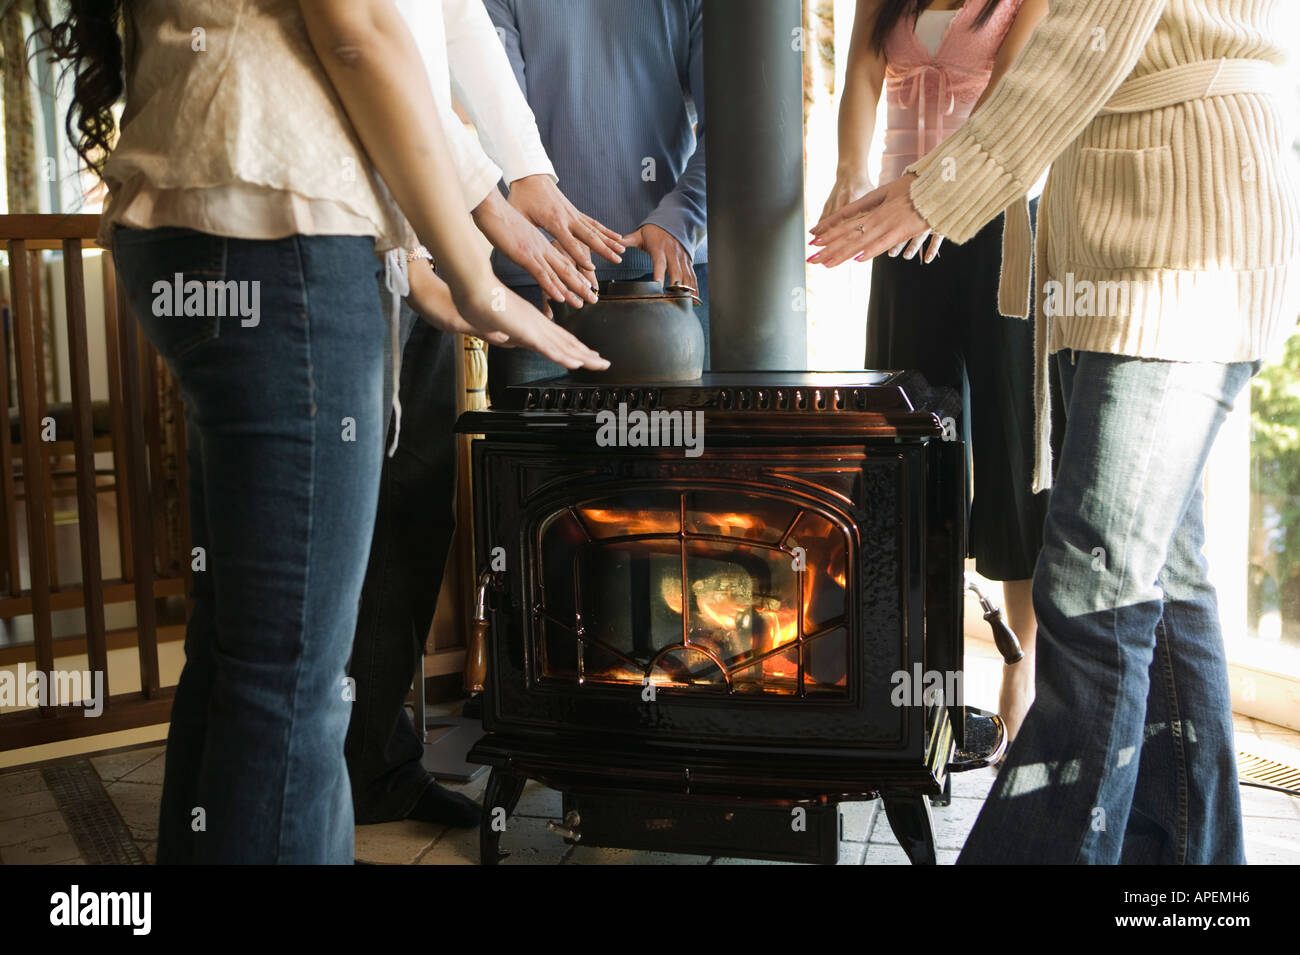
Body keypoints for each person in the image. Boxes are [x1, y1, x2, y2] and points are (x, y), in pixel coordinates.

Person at [39, 0, 608, 864]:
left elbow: (383, 33)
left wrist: (487, 202)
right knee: (289, 690)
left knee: (238, 657)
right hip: (283, 231)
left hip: (211, 220)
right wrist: (471, 269)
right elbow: (360, 32)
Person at [811, 0, 1300, 864]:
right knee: (1166, 591)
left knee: (1093, 583)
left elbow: (1087, 41)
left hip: (1177, 242)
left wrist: (933, 191)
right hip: (1119, 251)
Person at [345, 0, 625, 827]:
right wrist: (486, 209)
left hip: (412, 236)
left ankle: (371, 763)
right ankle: (313, 781)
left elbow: (452, 25)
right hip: (350, 226)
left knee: (414, 505)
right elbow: (375, 41)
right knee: (329, 538)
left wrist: (525, 167)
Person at [823, 0, 1048, 744]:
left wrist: (929, 194)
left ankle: (1025, 657)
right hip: (899, 231)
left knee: (1014, 446)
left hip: (998, 225)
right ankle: (915, 660)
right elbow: (862, 67)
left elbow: (1006, 102)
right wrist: (850, 175)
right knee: (902, 444)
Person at [483, 0, 708, 402]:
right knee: (542, 460)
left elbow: (735, 126)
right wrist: (539, 240)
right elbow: (494, 115)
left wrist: (681, 218)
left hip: (671, 281)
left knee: (677, 458)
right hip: (540, 278)